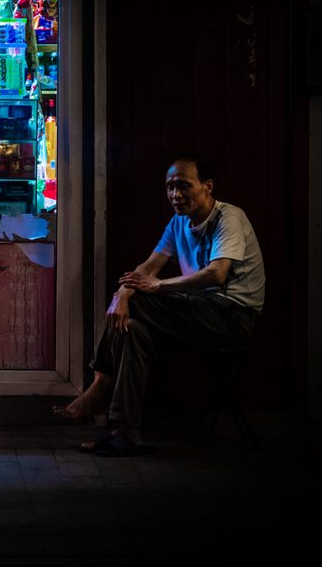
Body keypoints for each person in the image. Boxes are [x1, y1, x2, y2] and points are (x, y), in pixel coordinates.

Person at [56, 155, 265, 456]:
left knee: (139, 301)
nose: (175, 195)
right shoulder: (178, 222)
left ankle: (100, 384)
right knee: (132, 330)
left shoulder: (228, 218)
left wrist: (152, 288)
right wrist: (123, 294)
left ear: (207, 187)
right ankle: (124, 433)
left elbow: (217, 274)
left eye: (183, 186)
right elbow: (149, 267)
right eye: (169, 188)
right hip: (195, 312)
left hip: (230, 317)